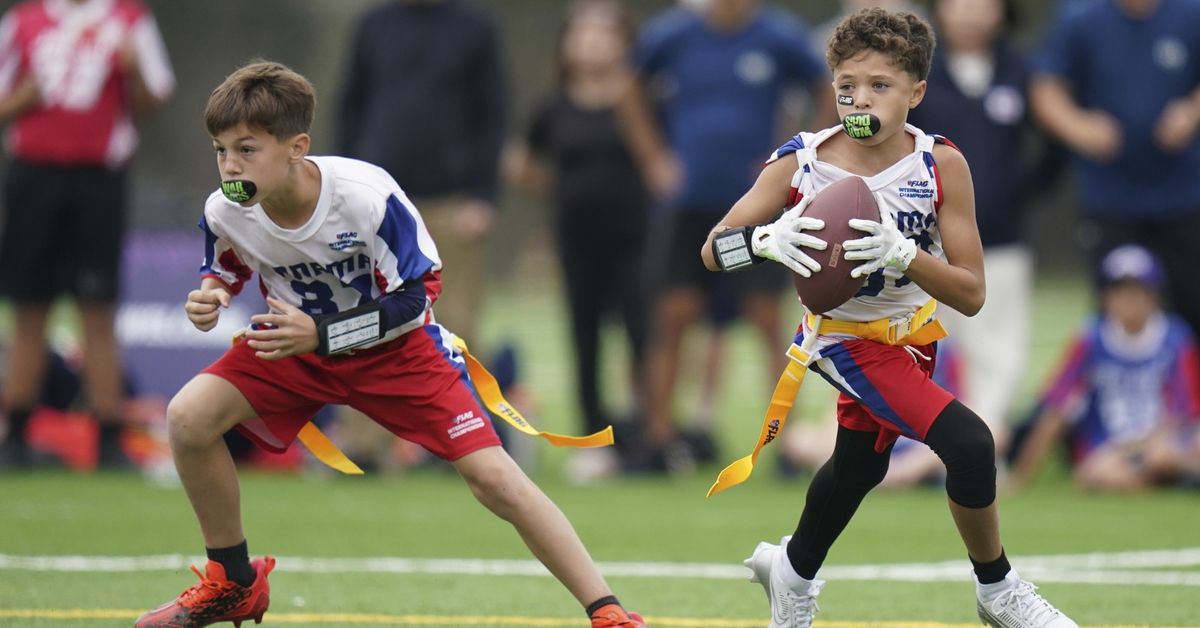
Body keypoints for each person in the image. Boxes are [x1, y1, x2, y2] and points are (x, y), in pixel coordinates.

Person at [134, 62, 646, 628]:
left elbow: (417, 297)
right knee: (187, 418)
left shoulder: (365, 195)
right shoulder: (225, 208)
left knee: (494, 479)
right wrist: (209, 294)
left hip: (396, 351)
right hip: (294, 350)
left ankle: (610, 613)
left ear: (296, 147)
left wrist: (323, 333)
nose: (230, 165)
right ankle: (232, 582)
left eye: (246, 149)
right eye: (220, 149)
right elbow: (227, 262)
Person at [699, 9, 1077, 626]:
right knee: (971, 444)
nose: (860, 98)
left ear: (917, 92)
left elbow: (972, 293)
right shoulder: (804, 161)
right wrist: (764, 240)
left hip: (910, 334)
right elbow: (713, 250)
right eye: (848, 84)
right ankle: (998, 590)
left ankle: (789, 573)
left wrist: (907, 256)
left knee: (860, 463)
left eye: (880, 85)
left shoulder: (939, 164)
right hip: (843, 339)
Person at [631, 0, 834, 470]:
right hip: (687, 206)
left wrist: (793, 161)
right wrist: (653, 159)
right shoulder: (672, 35)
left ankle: (784, 444)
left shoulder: (779, 37)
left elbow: (825, 87)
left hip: (758, 208)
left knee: (768, 320)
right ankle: (659, 442)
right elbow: (627, 84)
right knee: (673, 316)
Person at [884, 0, 1059, 487]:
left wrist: (1016, 192)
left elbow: (1053, 145)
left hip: (1000, 242)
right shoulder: (916, 74)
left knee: (997, 357)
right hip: (922, 245)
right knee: (918, 346)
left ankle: (978, 461)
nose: (971, 14)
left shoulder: (1022, 71)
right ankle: (919, 454)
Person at [0, 0, 174, 470]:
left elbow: (156, 97)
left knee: (97, 308)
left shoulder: (128, 19)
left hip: (98, 178)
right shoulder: (24, 21)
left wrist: (133, 72)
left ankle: (109, 437)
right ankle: (16, 433)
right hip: (34, 174)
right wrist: (23, 99)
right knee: (29, 308)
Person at [507, 0, 649, 483]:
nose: (591, 43)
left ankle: (647, 438)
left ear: (624, 41)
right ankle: (595, 439)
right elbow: (523, 165)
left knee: (641, 335)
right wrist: (564, 192)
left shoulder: (641, 99)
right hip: (577, 239)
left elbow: (661, 161)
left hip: (637, 237)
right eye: (582, 34)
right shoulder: (552, 106)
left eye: (603, 33)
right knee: (585, 338)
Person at [1030, 0, 1200, 373]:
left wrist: (1191, 110)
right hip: (1110, 201)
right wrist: (1079, 126)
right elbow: (1045, 87)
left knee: (1191, 311)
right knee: (1115, 315)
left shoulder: (1190, 13)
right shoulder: (1080, 16)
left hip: (1184, 199)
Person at [336, 0, 505, 345]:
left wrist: (483, 196)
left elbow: (492, 117)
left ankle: (461, 401)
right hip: (375, 203)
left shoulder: (476, 28)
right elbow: (350, 111)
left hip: (451, 202)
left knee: (455, 324)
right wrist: (339, 191)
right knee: (359, 320)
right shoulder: (372, 26)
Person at [1010, 245, 1200, 491]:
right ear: (1105, 297)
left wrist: (1151, 444)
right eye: (1121, 291)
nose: (1130, 300)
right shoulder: (1090, 339)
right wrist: (1021, 476)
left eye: (1139, 291)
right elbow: (1056, 408)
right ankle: (1174, 478)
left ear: (1155, 297)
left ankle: (1168, 473)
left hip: (1163, 438)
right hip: (1108, 447)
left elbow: (1184, 411)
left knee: (1168, 453)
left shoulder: (1175, 338)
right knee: (1099, 473)